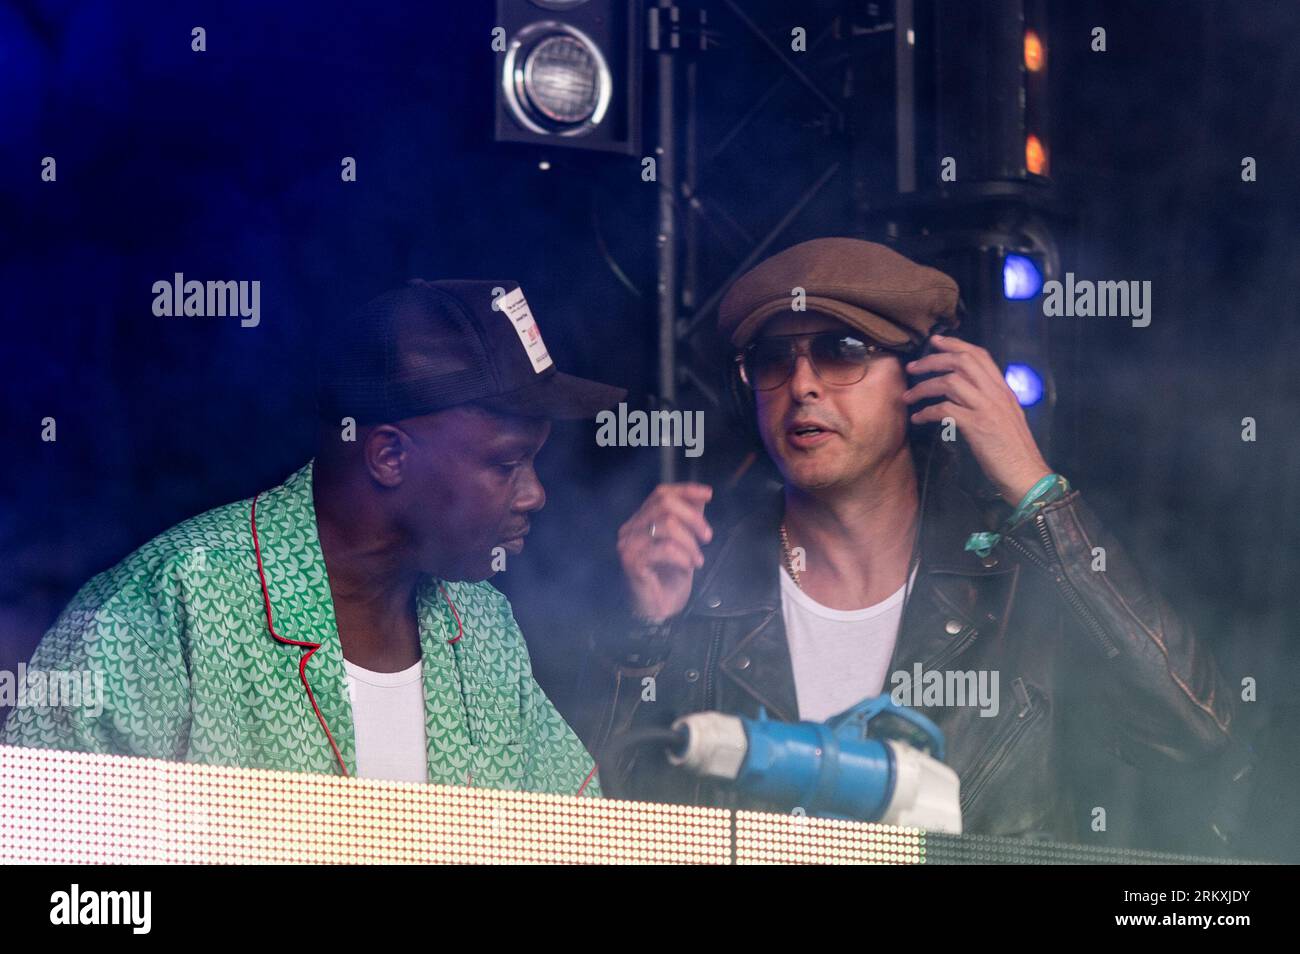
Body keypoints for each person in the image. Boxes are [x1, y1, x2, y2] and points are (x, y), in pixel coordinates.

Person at [593, 237, 1241, 841]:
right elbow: (607, 830)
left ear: (924, 374)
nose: (802, 385)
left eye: (842, 349)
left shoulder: (1026, 579)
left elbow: (1194, 735)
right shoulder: (699, 583)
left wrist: (1038, 493)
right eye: (772, 359)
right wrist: (640, 645)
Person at [2, 279, 623, 796]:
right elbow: (46, 852)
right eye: (505, 464)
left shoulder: (484, 627)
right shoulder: (171, 603)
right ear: (388, 456)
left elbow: (579, 840)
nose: (534, 493)